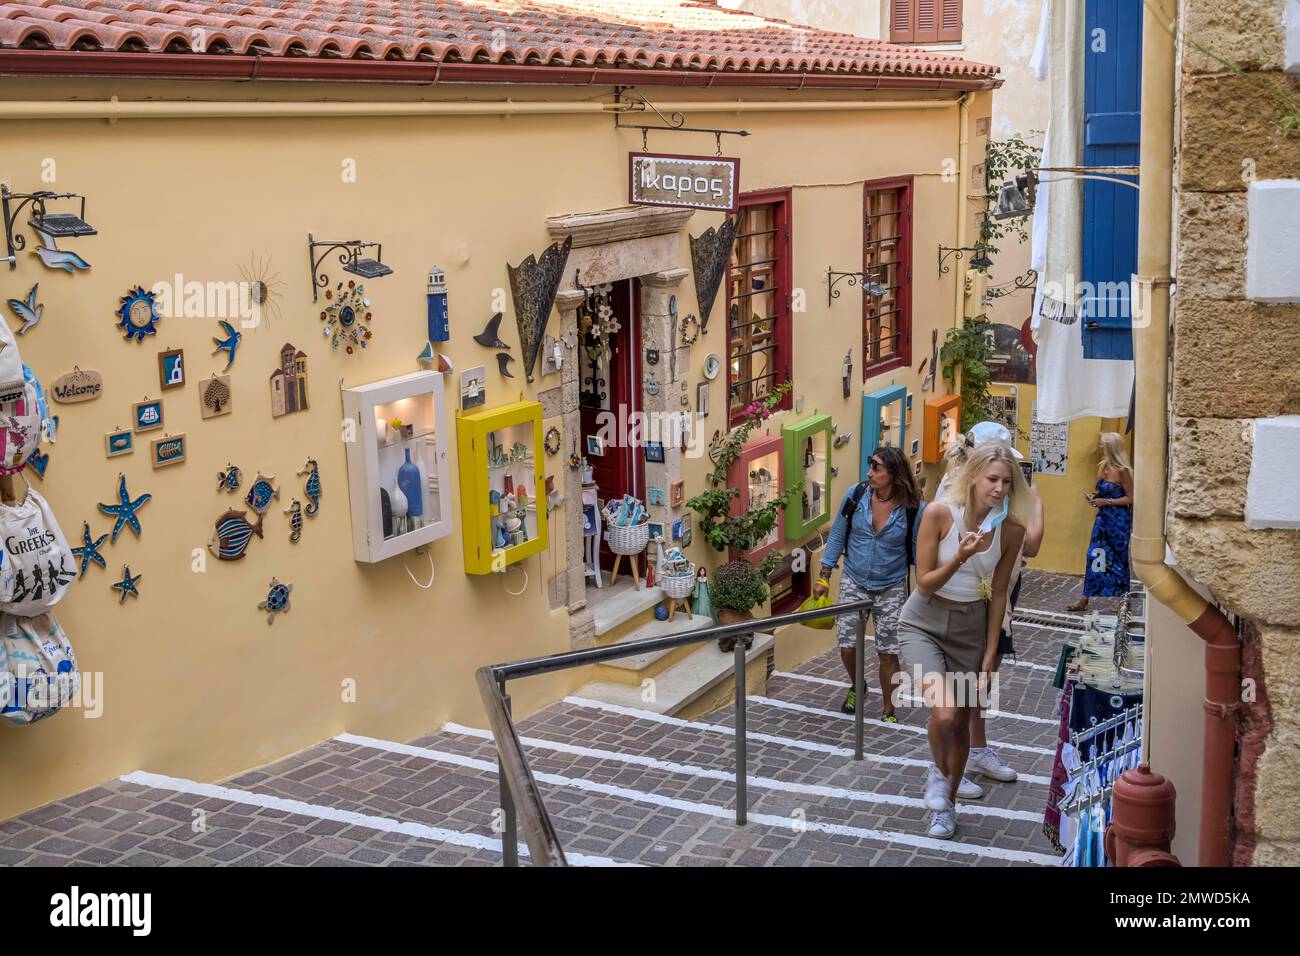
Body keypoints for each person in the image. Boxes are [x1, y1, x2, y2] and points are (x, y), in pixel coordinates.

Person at [896, 444, 1030, 840]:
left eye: (1007, 482)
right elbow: (924, 583)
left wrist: (991, 651)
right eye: (992, 479)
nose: (999, 488)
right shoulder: (939, 515)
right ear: (973, 477)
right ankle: (938, 775)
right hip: (923, 622)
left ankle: (946, 806)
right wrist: (959, 556)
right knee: (946, 715)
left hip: (973, 629)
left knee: (961, 730)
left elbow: (1001, 592)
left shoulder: (1011, 532)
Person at [814, 446, 923, 722]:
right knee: (847, 645)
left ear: (894, 475)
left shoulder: (913, 509)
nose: (869, 473)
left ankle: (889, 710)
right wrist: (824, 576)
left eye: (876, 468)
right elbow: (838, 534)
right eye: (870, 465)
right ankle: (858, 684)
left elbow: (919, 552)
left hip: (891, 586)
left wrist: (923, 593)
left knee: (888, 652)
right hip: (854, 579)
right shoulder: (856, 495)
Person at [1067, 432, 1134, 612]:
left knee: (1118, 560)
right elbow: (1105, 492)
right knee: (1094, 556)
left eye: (1102, 444)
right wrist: (1095, 496)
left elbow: (1131, 498)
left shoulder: (1122, 470)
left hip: (1118, 523)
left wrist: (1107, 502)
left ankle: (1123, 601)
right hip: (1103, 520)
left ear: (1111, 447)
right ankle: (1084, 597)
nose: (1099, 446)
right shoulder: (1104, 466)